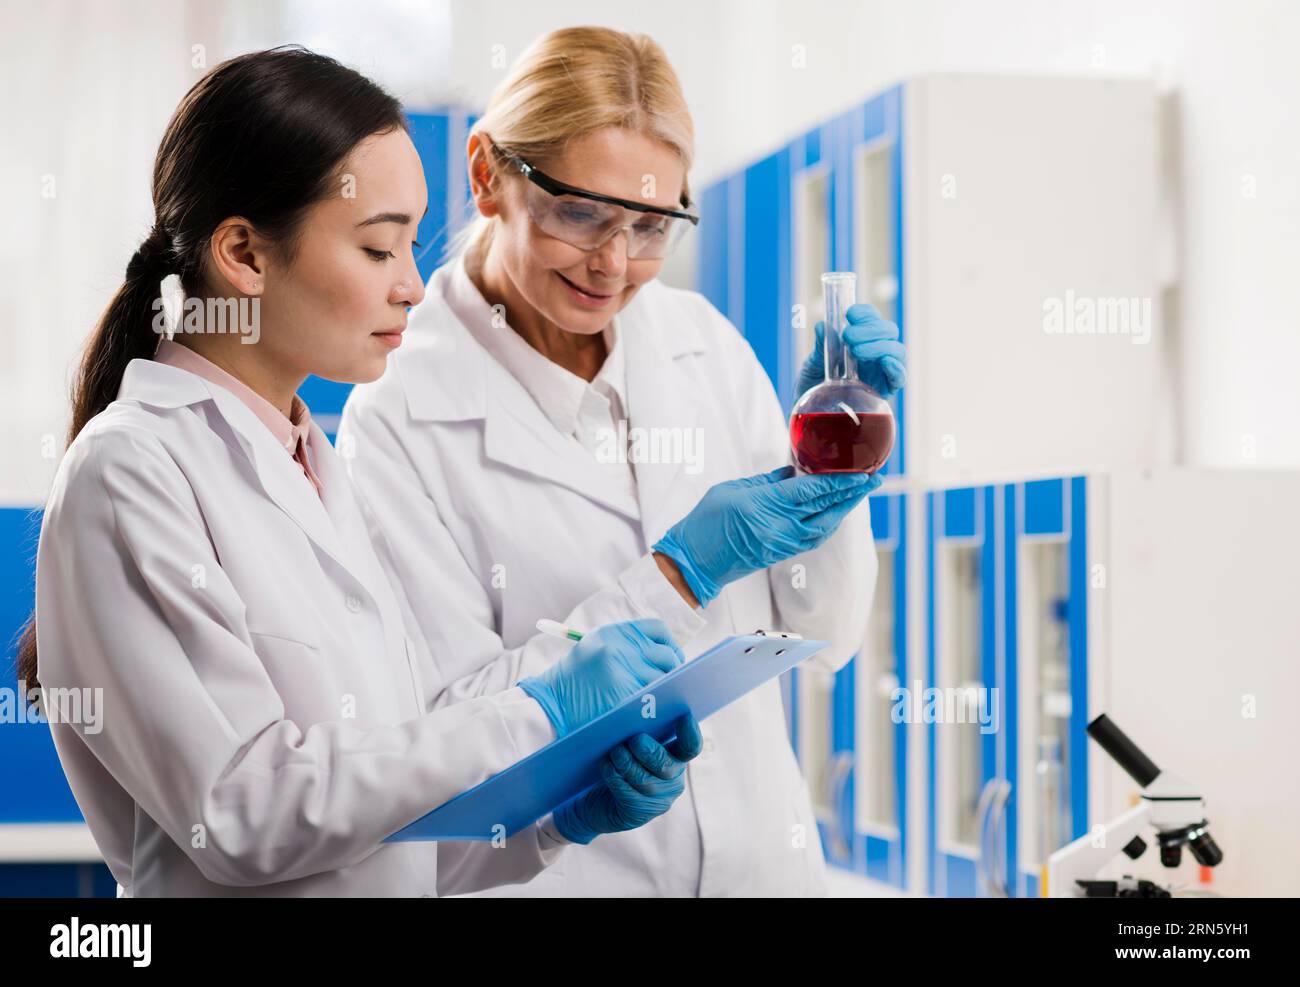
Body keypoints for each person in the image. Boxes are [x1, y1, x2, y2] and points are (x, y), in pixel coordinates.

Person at [19, 46, 700, 898]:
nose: (414, 285)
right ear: (245, 254)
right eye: (379, 248)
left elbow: (395, 828)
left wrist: (564, 816)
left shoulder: (317, 471)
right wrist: (538, 711)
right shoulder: (130, 470)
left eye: (413, 245)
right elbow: (242, 812)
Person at [339, 26, 905, 896]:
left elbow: (824, 634)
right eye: (580, 214)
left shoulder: (701, 342)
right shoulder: (399, 417)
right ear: (487, 174)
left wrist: (825, 479)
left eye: (651, 226)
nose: (613, 264)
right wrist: (676, 576)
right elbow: (444, 731)